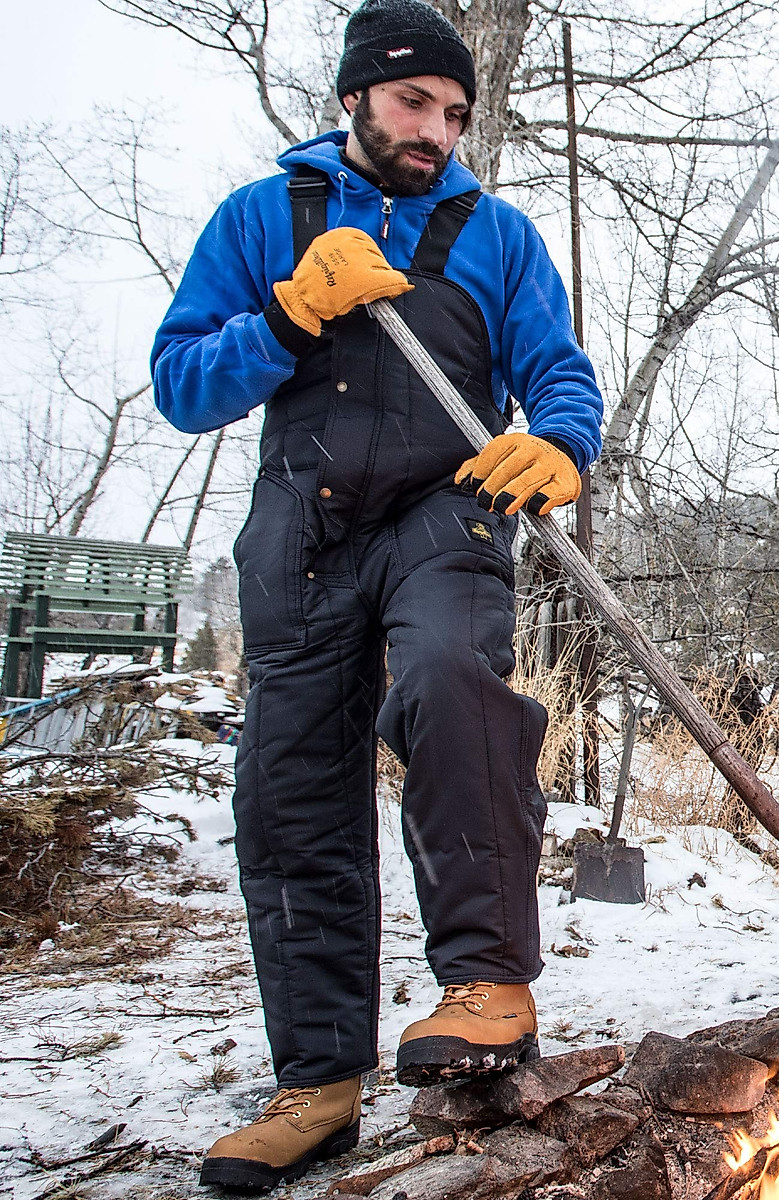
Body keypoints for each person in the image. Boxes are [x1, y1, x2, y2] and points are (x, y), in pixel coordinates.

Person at [151, 0, 604, 1188]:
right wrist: (290, 312)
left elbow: (556, 370)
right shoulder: (264, 219)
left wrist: (560, 443)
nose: (437, 131)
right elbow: (182, 383)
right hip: (300, 530)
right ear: (355, 96)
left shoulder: (494, 232)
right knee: (291, 784)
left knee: (456, 677)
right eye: (415, 104)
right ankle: (318, 1085)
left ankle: (488, 985)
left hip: (446, 511)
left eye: (456, 113)